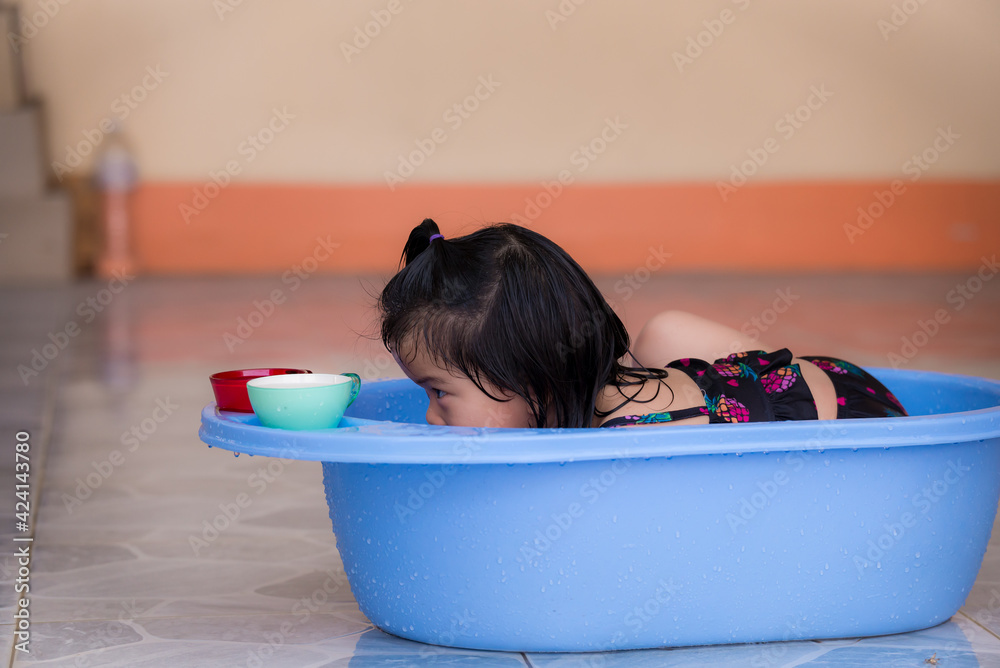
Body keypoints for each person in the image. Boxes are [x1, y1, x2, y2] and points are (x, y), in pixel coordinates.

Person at [377, 219, 907, 429]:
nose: (428, 417)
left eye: (439, 394)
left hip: (857, 418)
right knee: (664, 332)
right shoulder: (562, 393)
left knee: (663, 334)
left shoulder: (622, 443)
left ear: (533, 380)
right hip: (803, 377)